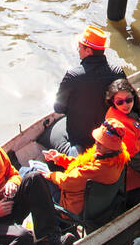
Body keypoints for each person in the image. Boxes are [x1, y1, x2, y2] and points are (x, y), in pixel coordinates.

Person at [45, 25, 126, 155]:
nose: (78, 50)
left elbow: (58, 108)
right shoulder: (118, 72)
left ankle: (74, 153)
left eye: (80, 47)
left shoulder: (73, 76)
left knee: (50, 133)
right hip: (110, 136)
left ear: (88, 51)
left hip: (81, 139)